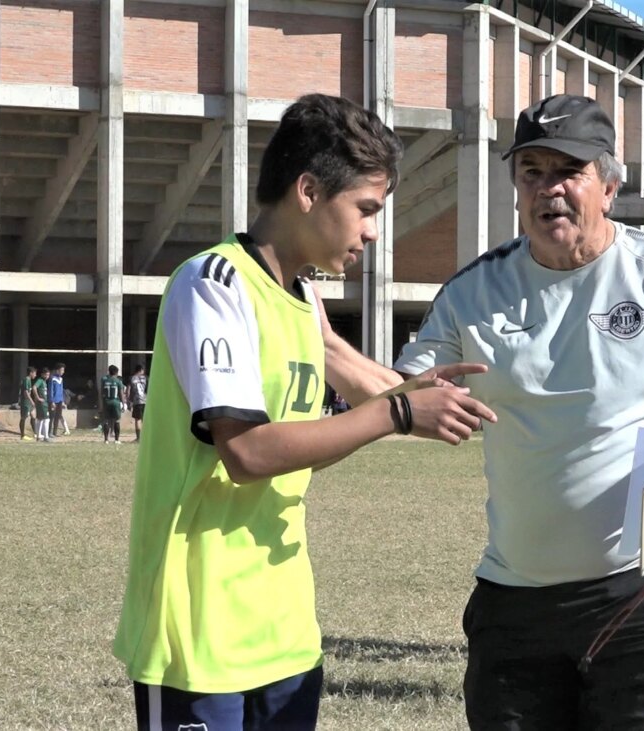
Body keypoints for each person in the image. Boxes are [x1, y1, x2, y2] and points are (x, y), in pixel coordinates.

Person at [335, 94, 644, 729]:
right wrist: (322, 345)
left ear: (610, 187)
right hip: (516, 598)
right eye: (532, 171)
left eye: (569, 170)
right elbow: (395, 394)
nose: (550, 189)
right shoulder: (474, 292)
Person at [112, 93, 495, 731]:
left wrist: (420, 392)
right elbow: (246, 453)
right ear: (309, 191)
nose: (373, 231)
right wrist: (399, 414)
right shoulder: (212, 285)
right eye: (366, 210)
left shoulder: (302, 298)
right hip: (199, 634)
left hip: (285, 629)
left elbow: (346, 367)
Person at [100, 365, 127, 444]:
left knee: (106, 421)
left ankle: (106, 439)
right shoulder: (118, 381)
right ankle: (117, 439)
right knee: (117, 421)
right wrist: (124, 403)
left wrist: (101, 404)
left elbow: (101, 393)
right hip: (115, 402)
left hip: (106, 402)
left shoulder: (104, 380)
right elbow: (121, 394)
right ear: (116, 372)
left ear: (109, 371)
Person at [128, 364, 148, 442]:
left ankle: (138, 438)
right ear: (141, 370)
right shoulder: (146, 378)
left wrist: (129, 400)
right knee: (145, 420)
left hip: (137, 401)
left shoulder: (132, 378)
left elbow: (129, 390)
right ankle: (146, 437)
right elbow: (148, 389)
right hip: (145, 400)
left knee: (138, 419)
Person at [32, 366, 51, 442]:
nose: (47, 376)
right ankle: (46, 437)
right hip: (42, 403)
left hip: (44, 403)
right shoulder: (40, 380)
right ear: (42, 374)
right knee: (46, 419)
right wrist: (38, 397)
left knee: (40, 419)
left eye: (48, 375)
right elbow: (34, 387)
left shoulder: (44, 382)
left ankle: (38, 436)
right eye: (46, 375)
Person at [49, 362, 68, 437]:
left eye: (63, 370)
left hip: (60, 400)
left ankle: (55, 432)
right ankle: (49, 432)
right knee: (51, 416)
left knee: (58, 416)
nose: (63, 372)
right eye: (61, 370)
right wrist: (52, 401)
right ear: (57, 370)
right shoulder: (52, 378)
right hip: (54, 401)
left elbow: (61, 390)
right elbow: (51, 390)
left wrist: (63, 400)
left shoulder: (61, 379)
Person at [18, 365, 37, 441]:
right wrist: (32, 401)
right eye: (34, 373)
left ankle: (35, 433)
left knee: (33, 416)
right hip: (25, 401)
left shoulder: (29, 380)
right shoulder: (26, 380)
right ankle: (22, 435)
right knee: (24, 417)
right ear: (31, 373)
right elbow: (26, 392)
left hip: (28, 401)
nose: (35, 375)